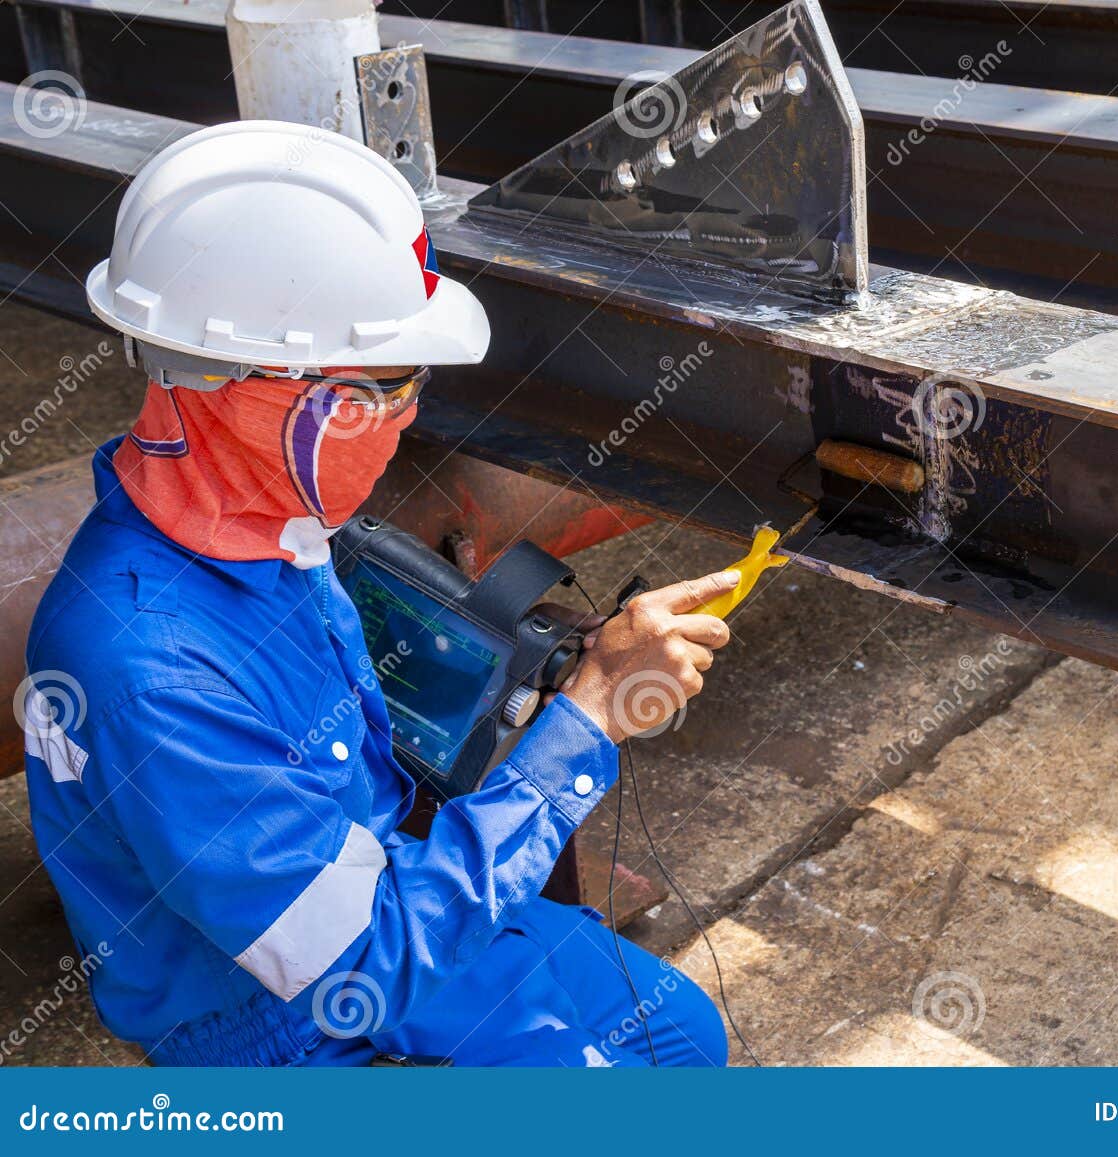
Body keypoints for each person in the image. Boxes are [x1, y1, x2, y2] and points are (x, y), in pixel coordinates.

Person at [20, 120, 735, 1066]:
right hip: (286, 1015)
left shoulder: (268, 519)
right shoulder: (149, 670)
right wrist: (588, 718)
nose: (408, 418)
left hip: (384, 881)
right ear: (242, 383)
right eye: (385, 387)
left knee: (684, 1038)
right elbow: (367, 962)